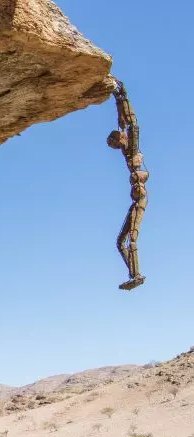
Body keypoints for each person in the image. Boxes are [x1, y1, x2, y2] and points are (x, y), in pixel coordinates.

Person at [106, 78, 148, 291]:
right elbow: (125, 121)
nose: (117, 141)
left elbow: (133, 124)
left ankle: (137, 274)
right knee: (119, 242)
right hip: (136, 199)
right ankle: (134, 274)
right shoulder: (127, 150)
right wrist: (118, 98)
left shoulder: (131, 147)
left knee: (131, 239)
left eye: (115, 140)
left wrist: (122, 96)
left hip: (140, 199)